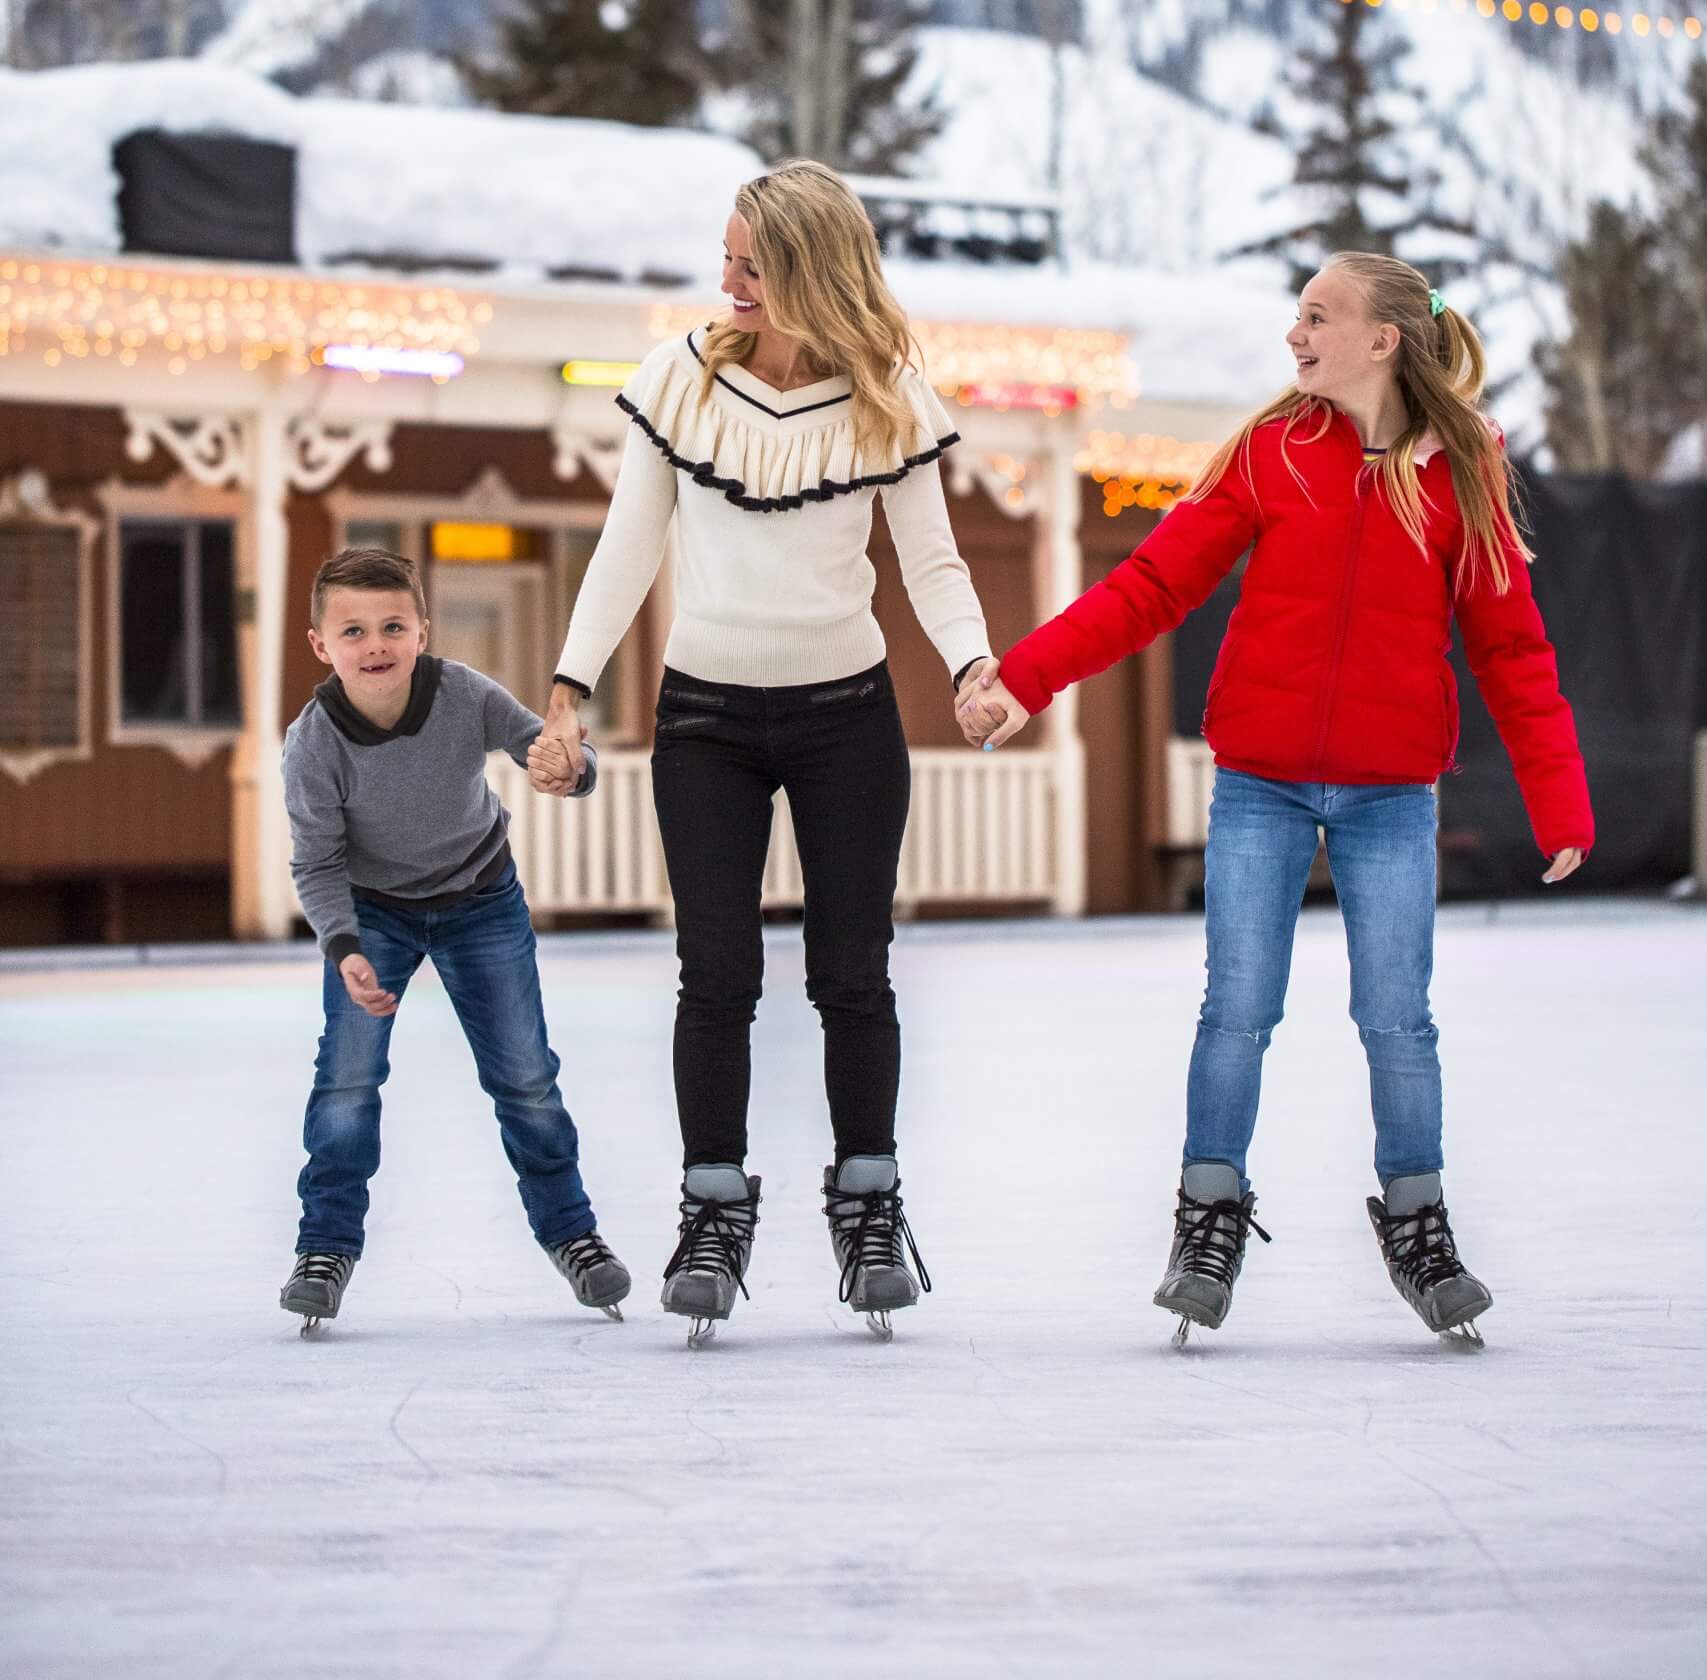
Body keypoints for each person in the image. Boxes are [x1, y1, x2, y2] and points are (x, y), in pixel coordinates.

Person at [958, 253, 1593, 1346]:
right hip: (1260, 781)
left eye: (1316, 316)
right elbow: (1151, 583)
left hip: (1392, 794)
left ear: (1383, 337)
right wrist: (1025, 677)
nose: (1293, 334)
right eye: (1294, 314)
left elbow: (1511, 643)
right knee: (1238, 1010)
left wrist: (1559, 798)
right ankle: (1208, 1219)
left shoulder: (1464, 466)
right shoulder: (1272, 450)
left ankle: (1418, 1224)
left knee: (1398, 1021)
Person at [529, 160, 997, 1341]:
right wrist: (569, 686)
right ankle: (713, 1209)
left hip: (849, 716)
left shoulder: (886, 393)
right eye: (725, 255)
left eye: (752, 263)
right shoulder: (677, 380)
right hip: (705, 722)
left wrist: (973, 664)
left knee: (854, 972)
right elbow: (627, 547)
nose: (727, 279)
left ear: (810, 271)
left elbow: (930, 562)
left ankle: (869, 1201)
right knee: (717, 975)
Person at [279, 547, 630, 1332]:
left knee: (525, 1078)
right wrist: (345, 947)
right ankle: (324, 1247)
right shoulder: (312, 744)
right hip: (374, 910)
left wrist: (567, 768)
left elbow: (554, 751)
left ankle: (572, 1233)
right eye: (354, 631)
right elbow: (316, 861)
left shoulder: (463, 693)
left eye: (394, 626)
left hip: (480, 899)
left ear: (423, 631)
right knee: (346, 1079)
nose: (376, 644)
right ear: (320, 645)